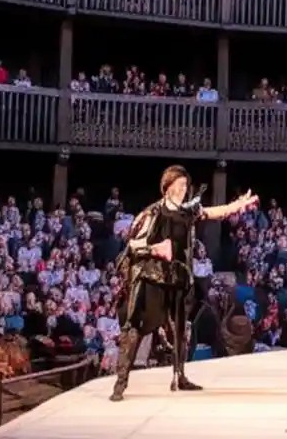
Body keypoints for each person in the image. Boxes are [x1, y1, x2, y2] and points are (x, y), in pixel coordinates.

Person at [109, 165, 258, 402]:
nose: (183, 189)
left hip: (178, 277)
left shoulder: (188, 213)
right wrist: (155, 249)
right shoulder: (153, 213)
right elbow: (132, 245)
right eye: (179, 185)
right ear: (167, 188)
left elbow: (212, 212)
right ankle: (120, 382)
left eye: (185, 186)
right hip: (153, 277)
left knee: (180, 328)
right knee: (136, 326)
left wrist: (237, 205)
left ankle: (179, 375)